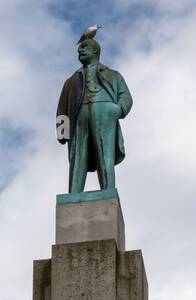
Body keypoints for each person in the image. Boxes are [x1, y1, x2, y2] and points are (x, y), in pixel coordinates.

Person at [56, 31, 132, 193]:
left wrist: (117, 109)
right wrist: (62, 131)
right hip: (78, 115)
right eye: (79, 49)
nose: (80, 51)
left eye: (84, 47)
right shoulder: (71, 81)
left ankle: (108, 190)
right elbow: (62, 108)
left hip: (105, 112)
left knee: (105, 155)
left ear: (95, 51)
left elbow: (125, 96)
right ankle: (74, 193)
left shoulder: (113, 75)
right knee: (77, 157)